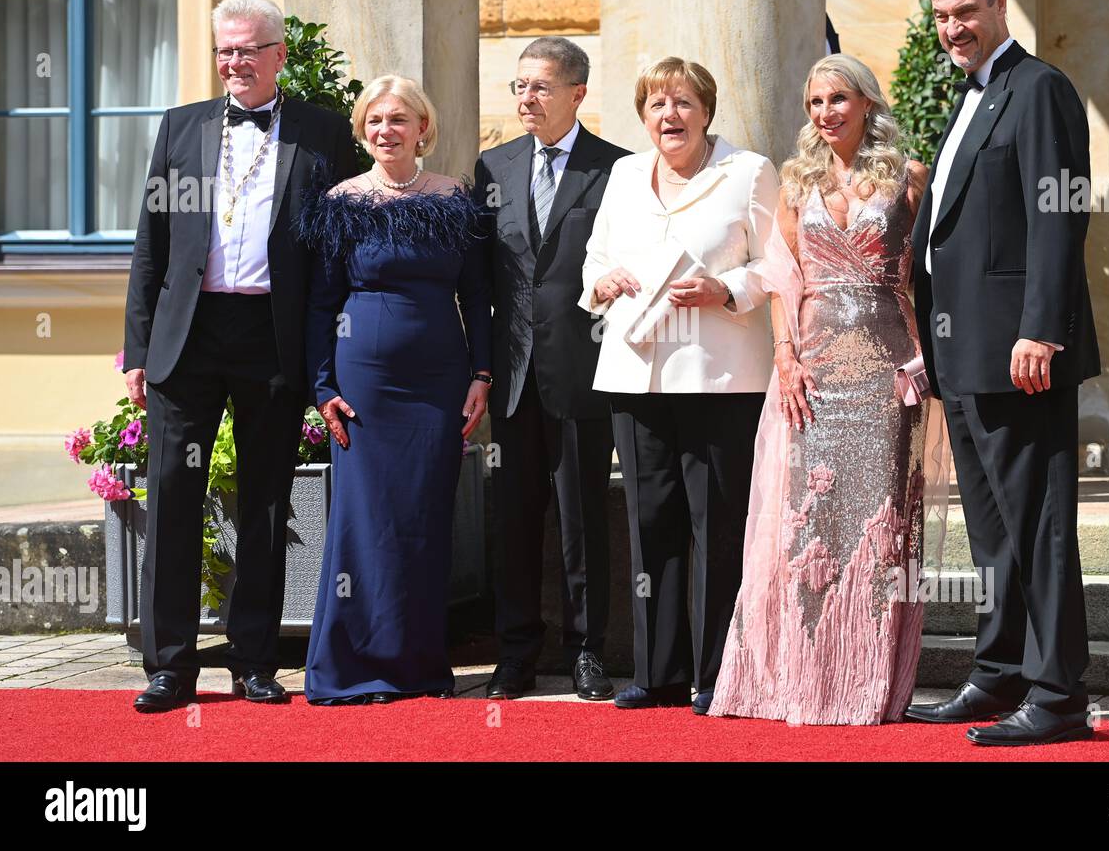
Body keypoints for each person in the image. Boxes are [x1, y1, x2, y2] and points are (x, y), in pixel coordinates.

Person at [123, 0, 358, 713]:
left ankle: (255, 660)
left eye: (250, 50)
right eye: (226, 50)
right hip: (186, 338)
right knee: (171, 498)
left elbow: (338, 255)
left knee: (264, 502)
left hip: (273, 337)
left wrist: (333, 354)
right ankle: (169, 665)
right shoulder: (180, 127)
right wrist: (136, 347)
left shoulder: (322, 134)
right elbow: (150, 246)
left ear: (280, 55)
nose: (236, 63)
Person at [708, 54, 946, 725]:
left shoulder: (910, 180)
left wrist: (927, 359)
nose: (825, 112)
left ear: (867, 102)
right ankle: (804, 680)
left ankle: (867, 682)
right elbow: (787, 283)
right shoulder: (794, 184)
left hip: (887, 374)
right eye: (815, 102)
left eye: (838, 98)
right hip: (810, 372)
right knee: (807, 523)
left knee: (882, 531)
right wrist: (784, 356)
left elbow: (932, 280)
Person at [904, 0, 1101, 745]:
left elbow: (1061, 213)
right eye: (943, 17)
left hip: (1020, 353)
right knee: (992, 533)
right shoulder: (970, 97)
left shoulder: (1039, 89)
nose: (953, 29)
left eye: (965, 13)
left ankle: (1056, 697)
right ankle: (999, 672)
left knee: (1040, 528)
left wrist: (1043, 328)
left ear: (1000, 5)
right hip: (965, 353)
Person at [580, 57, 777, 715]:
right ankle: (658, 671)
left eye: (684, 104)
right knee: (651, 523)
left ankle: (717, 674)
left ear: (707, 112)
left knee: (717, 525)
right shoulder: (626, 174)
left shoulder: (746, 171)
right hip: (636, 375)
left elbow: (778, 264)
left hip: (721, 380)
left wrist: (726, 288)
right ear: (644, 116)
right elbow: (597, 256)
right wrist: (599, 285)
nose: (671, 116)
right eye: (658, 105)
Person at [298, 75, 491, 704]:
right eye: (376, 120)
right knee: (364, 517)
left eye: (400, 119)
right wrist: (322, 384)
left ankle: (417, 666)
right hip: (365, 384)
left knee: (422, 517)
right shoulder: (341, 202)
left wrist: (481, 375)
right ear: (362, 130)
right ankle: (352, 668)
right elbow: (321, 303)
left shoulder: (455, 198)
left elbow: (478, 298)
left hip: (438, 382)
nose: (387, 131)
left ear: (423, 129)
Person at [475, 39, 629, 701]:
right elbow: (479, 278)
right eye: (518, 87)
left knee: (583, 516)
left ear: (577, 94)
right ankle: (516, 654)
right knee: (514, 517)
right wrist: (479, 370)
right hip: (512, 375)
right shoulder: (492, 167)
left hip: (585, 370)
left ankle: (587, 651)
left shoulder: (617, 170)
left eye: (539, 87)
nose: (526, 99)